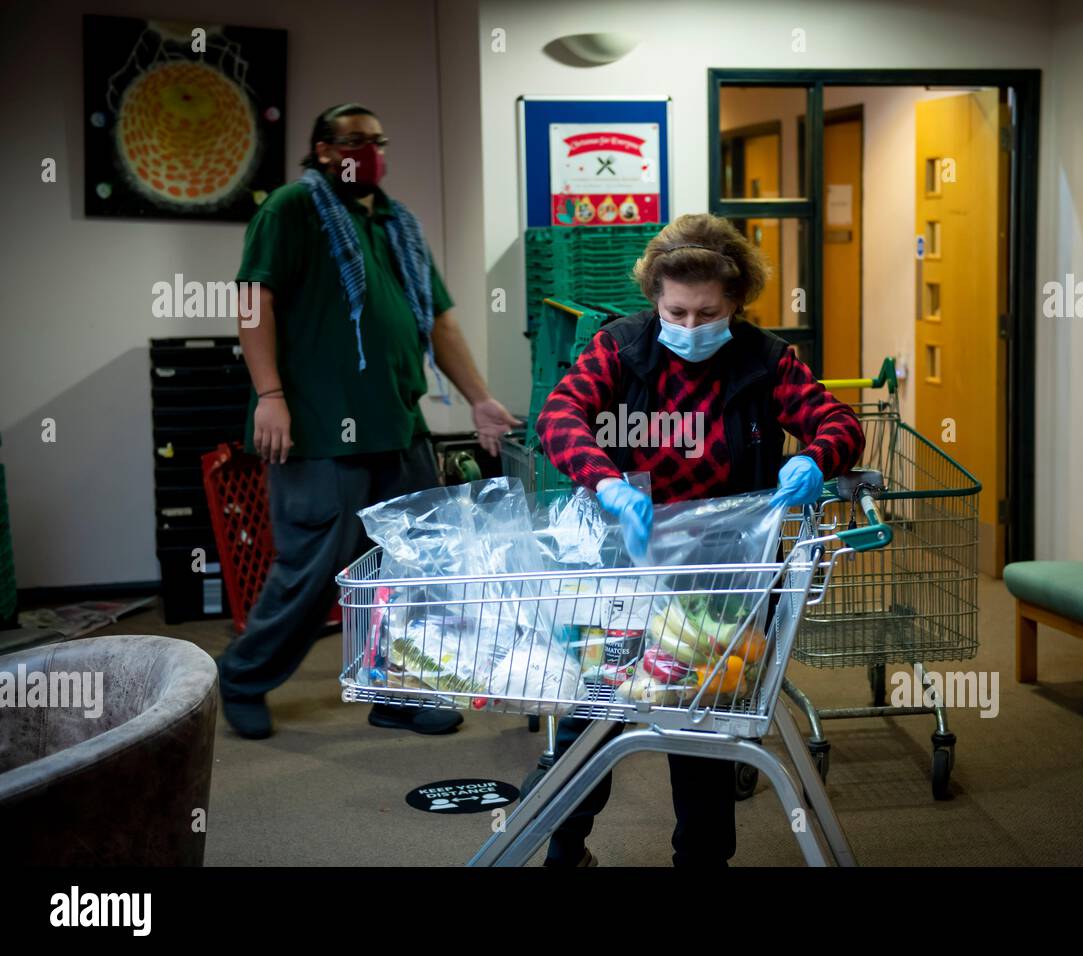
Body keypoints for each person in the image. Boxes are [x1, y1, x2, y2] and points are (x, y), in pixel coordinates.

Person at [534, 212, 866, 866]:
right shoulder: (622, 347)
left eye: (707, 313)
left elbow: (840, 424)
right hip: (627, 560)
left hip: (724, 573)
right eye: (676, 312)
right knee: (589, 724)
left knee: (703, 733)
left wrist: (816, 458)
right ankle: (563, 852)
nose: (689, 328)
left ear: (736, 304)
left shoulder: (766, 360)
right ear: (654, 300)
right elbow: (559, 416)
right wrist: (608, 484)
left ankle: (701, 862)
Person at [218, 103, 521, 740]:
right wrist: (269, 393)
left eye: (378, 141)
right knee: (313, 569)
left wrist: (479, 398)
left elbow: (439, 322)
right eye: (356, 141)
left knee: (409, 567)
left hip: (397, 425)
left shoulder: (397, 223)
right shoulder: (291, 210)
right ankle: (243, 678)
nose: (370, 152)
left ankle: (394, 689)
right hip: (319, 431)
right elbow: (254, 299)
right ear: (324, 149)